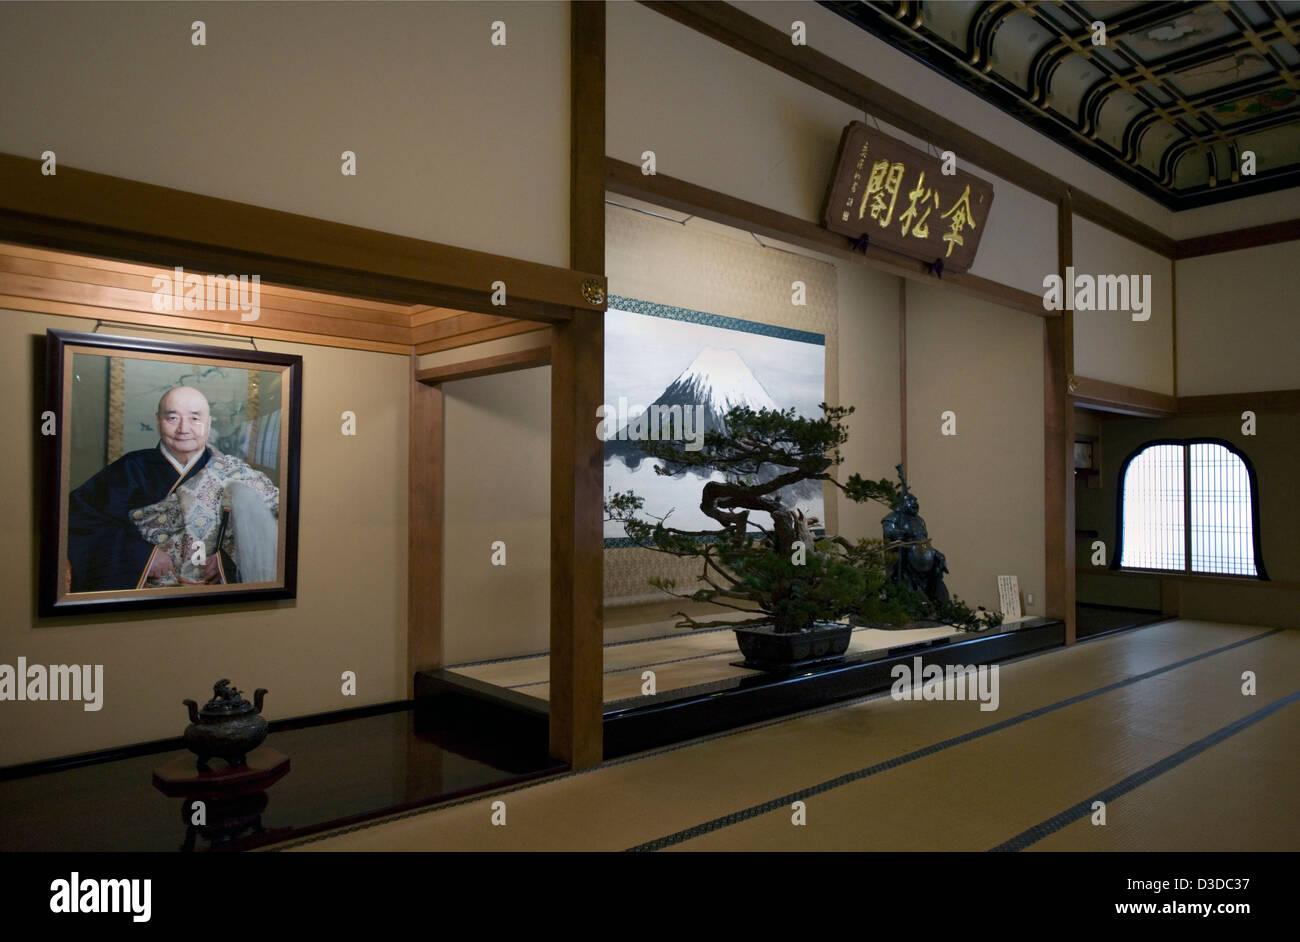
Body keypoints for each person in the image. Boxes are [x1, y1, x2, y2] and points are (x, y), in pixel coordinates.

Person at [66, 386, 279, 592]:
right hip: (145, 595)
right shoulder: (130, 469)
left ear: (208, 422)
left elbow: (280, 521)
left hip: (217, 595)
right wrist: (141, 556)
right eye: (172, 418)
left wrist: (228, 561)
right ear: (158, 420)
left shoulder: (236, 473)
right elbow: (78, 519)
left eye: (195, 418)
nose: (184, 429)